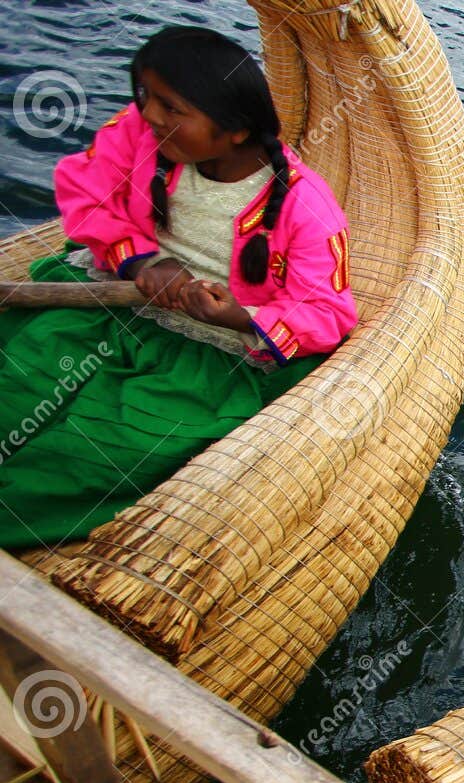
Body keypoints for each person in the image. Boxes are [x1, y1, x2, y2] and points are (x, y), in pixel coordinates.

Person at [0, 25, 358, 550]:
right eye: (146, 96)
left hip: (205, 357)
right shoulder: (142, 134)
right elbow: (87, 188)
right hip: (110, 307)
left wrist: (236, 315)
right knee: (19, 380)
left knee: (96, 453)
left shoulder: (306, 206)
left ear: (235, 130)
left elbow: (328, 311)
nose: (149, 115)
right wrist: (144, 261)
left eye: (171, 107)